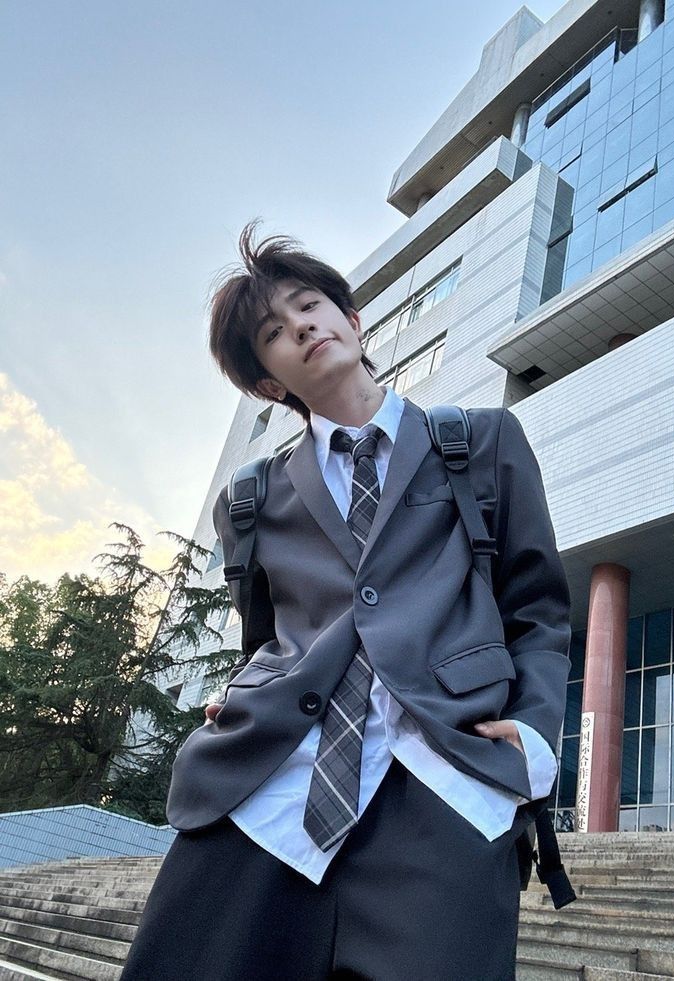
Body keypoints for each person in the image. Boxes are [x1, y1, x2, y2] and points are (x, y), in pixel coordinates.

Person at [120, 223, 571, 981]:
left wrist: (533, 730)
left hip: (446, 777)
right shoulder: (252, 498)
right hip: (272, 790)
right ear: (268, 383)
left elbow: (537, 609)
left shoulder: (482, 443)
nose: (299, 326)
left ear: (352, 320)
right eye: (272, 331)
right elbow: (268, 636)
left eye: (308, 306)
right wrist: (246, 691)